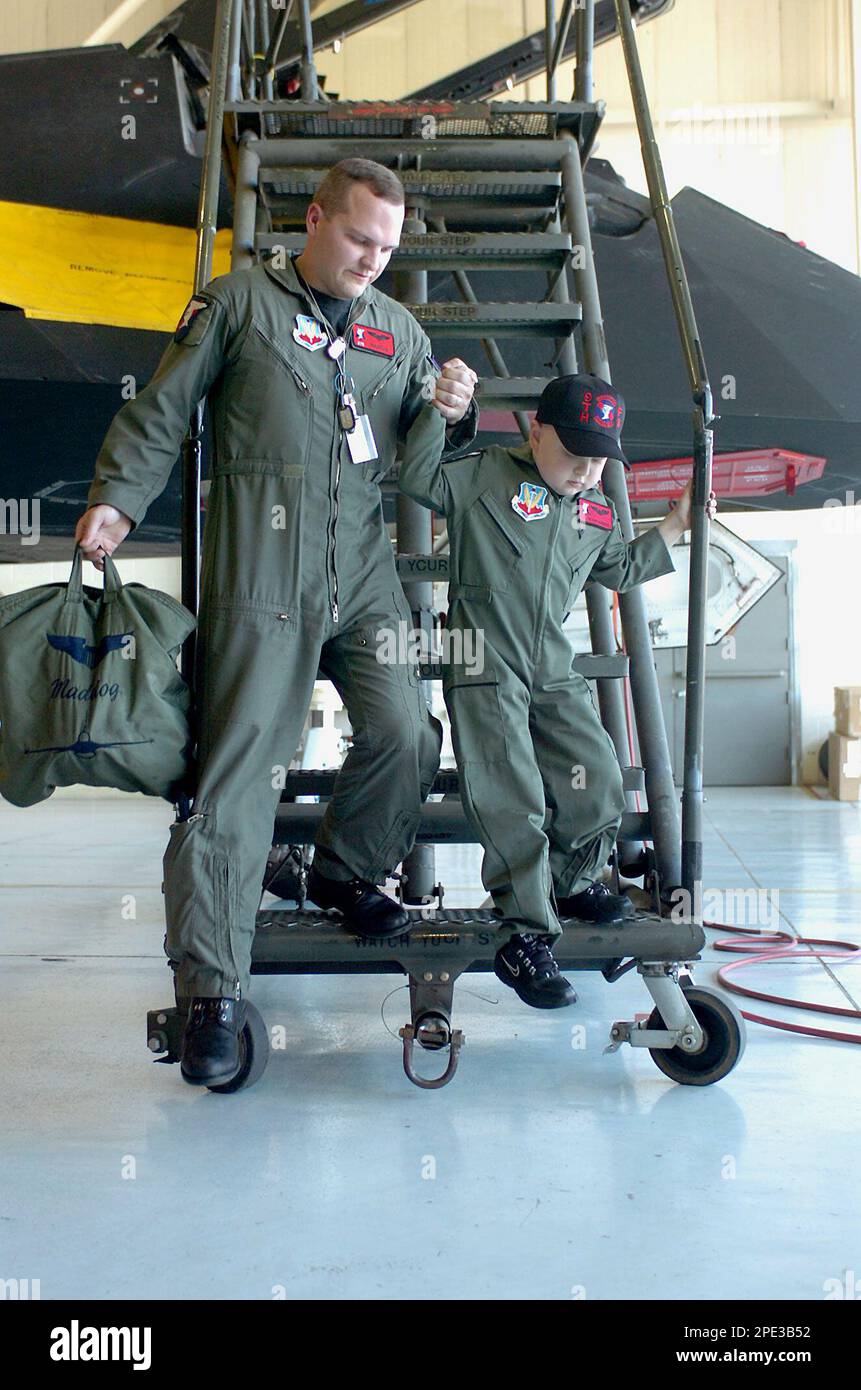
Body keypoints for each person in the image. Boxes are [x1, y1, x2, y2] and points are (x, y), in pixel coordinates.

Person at [74, 157, 478, 1085]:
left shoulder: (397, 332)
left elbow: (421, 471)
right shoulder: (237, 305)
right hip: (261, 569)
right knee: (236, 774)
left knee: (406, 734)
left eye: (387, 246)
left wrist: (452, 417)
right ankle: (212, 994)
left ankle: (339, 874)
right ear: (315, 219)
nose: (372, 259)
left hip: (363, 571)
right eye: (358, 237)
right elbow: (163, 411)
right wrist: (117, 502)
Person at [397, 373, 717, 1010]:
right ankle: (525, 935)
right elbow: (419, 480)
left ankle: (570, 883)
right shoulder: (485, 473)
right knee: (513, 797)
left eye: (600, 456)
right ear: (535, 430)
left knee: (595, 775)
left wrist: (679, 519)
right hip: (483, 660)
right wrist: (439, 411)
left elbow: (620, 568)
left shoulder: (595, 508)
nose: (586, 468)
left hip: (552, 664)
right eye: (574, 451)